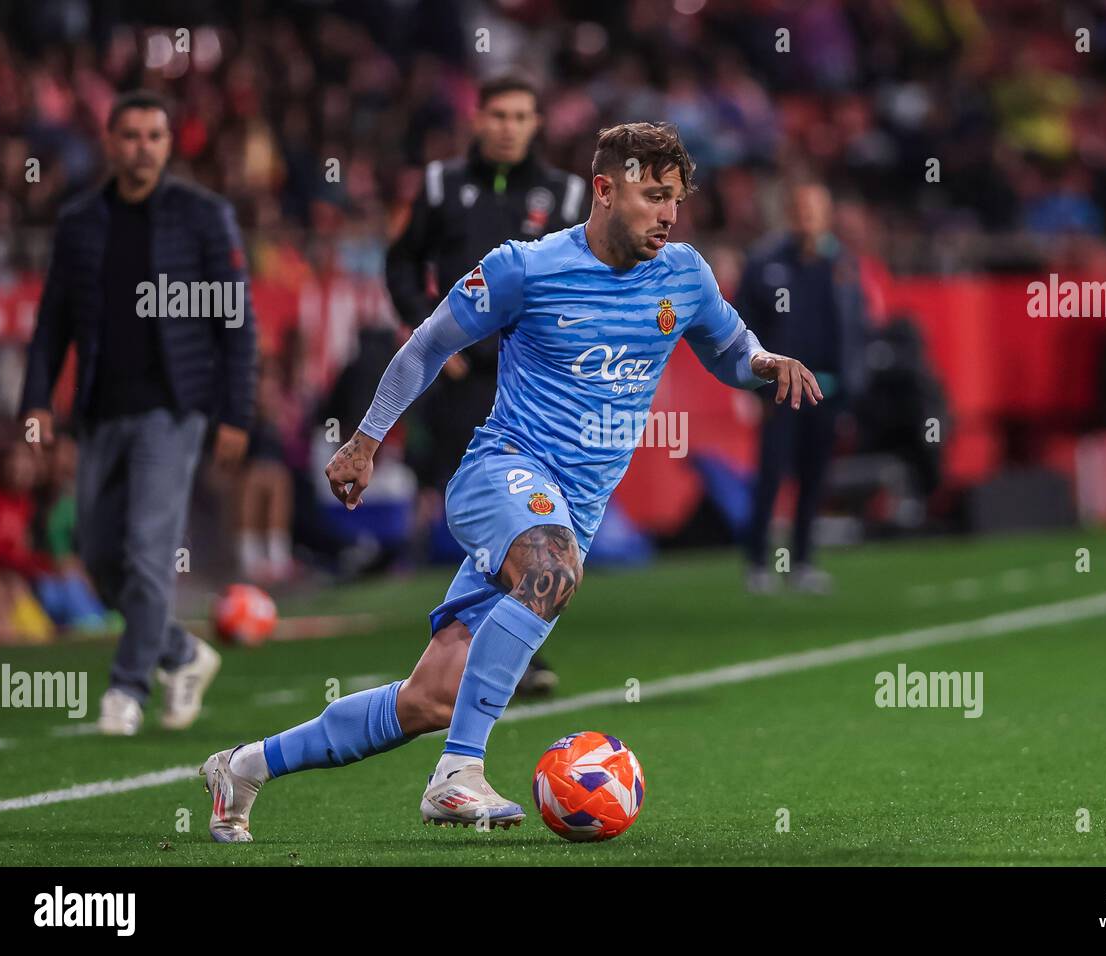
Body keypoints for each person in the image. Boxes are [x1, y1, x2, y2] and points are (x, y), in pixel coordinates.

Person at [200, 122, 823, 841]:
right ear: (603, 189)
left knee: (428, 699)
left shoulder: (683, 274)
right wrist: (365, 441)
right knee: (555, 568)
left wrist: (765, 362)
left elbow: (728, 346)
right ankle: (457, 774)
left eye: (675, 200)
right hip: (501, 474)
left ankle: (244, 768)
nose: (668, 216)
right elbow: (428, 345)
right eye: (653, 197)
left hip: (570, 512)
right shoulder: (523, 269)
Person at [19, 89, 257, 735]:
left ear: (169, 143)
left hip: (173, 411)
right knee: (98, 558)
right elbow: (51, 327)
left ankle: (125, 690)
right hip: (98, 412)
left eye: (154, 135)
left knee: (149, 551)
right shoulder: (80, 222)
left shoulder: (203, 216)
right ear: (109, 142)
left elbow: (235, 321)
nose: (142, 147)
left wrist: (236, 412)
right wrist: (37, 403)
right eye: (130, 135)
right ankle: (180, 653)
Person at [387, 75, 587, 696]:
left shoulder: (568, 192)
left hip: (536, 385)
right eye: (498, 114)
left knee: (532, 514)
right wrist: (429, 334)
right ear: (478, 119)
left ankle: (504, 644)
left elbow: (590, 278)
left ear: (537, 124)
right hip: (464, 376)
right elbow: (400, 261)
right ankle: (485, 643)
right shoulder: (443, 184)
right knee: (476, 511)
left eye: (521, 115)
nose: (508, 126)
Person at [738, 181, 865, 594]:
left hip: (825, 390)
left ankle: (803, 561)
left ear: (827, 214)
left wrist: (851, 384)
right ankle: (758, 560)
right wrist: (758, 384)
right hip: (779, 390)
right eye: (801, 208)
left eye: (815, 208)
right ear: (791, 213)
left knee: (814, 478)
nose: (808, 217)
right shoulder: (766, 262)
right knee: (772, 475)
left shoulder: (842, 265)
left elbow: (855, 329)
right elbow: (742, 326)